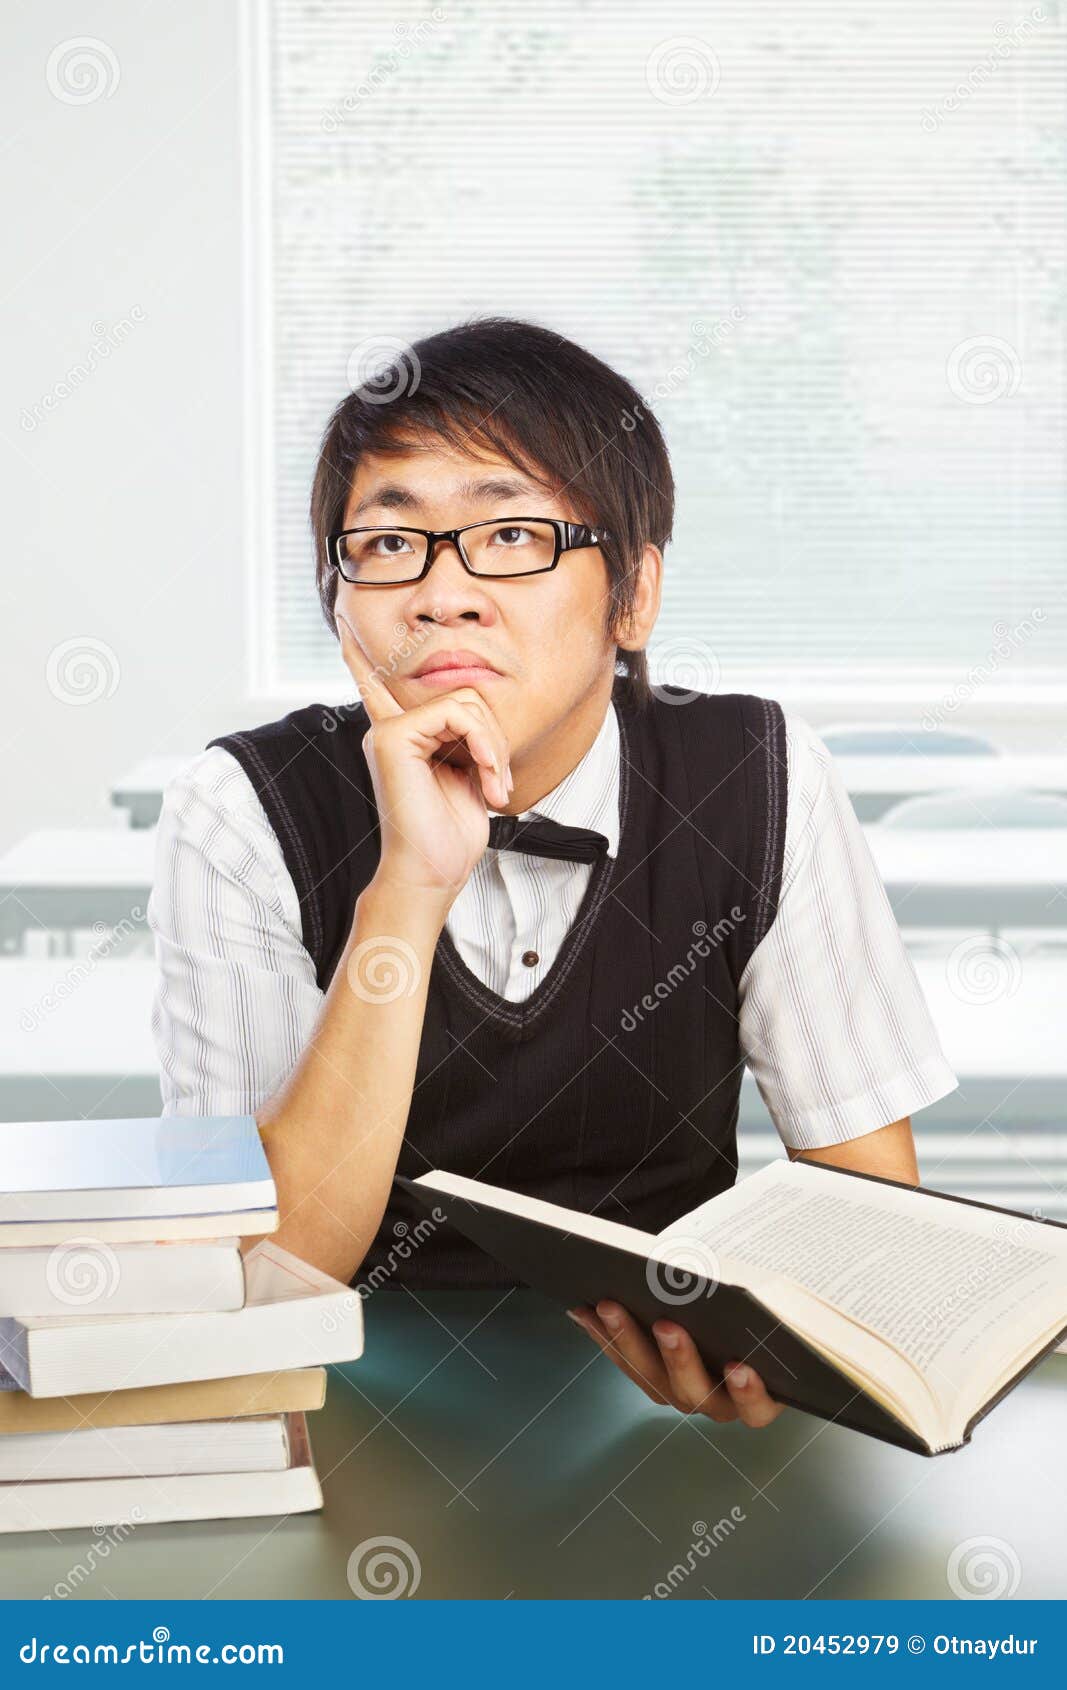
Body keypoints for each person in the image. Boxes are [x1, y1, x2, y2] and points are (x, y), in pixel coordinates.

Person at [148, 316, 958, 1434]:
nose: (443, 593)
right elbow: (262, 1280)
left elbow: (871, 1225)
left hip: (669, 1409)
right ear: (340, 603)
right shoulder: (239, 808)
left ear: (633, 595)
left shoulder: (759, 778)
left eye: (512, 534)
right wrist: (408, 885)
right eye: (387, 545)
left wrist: (776, 1350)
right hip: (333, 1401)